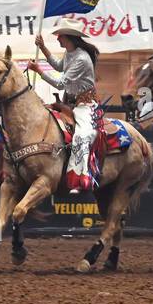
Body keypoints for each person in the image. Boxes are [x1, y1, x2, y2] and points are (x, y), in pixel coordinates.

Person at [30, 17, 101, 191]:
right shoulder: (70, 53)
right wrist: (43, 48)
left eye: (59, 35)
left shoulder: (82, 59)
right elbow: (60, 66)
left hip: (85, 104)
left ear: (68, 37)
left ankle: (81, 177)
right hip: (70, 103)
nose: (57, 38)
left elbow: (60, 83)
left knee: (82, 135)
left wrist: (38, 71)